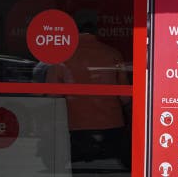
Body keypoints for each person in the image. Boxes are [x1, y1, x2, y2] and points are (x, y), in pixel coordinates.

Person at [46, 10, 130, 167]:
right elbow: (125, 97)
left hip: (74, 125)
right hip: (111, 124)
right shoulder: (113, 54)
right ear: (96, 29)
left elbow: (52, 95)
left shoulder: (61, 56)